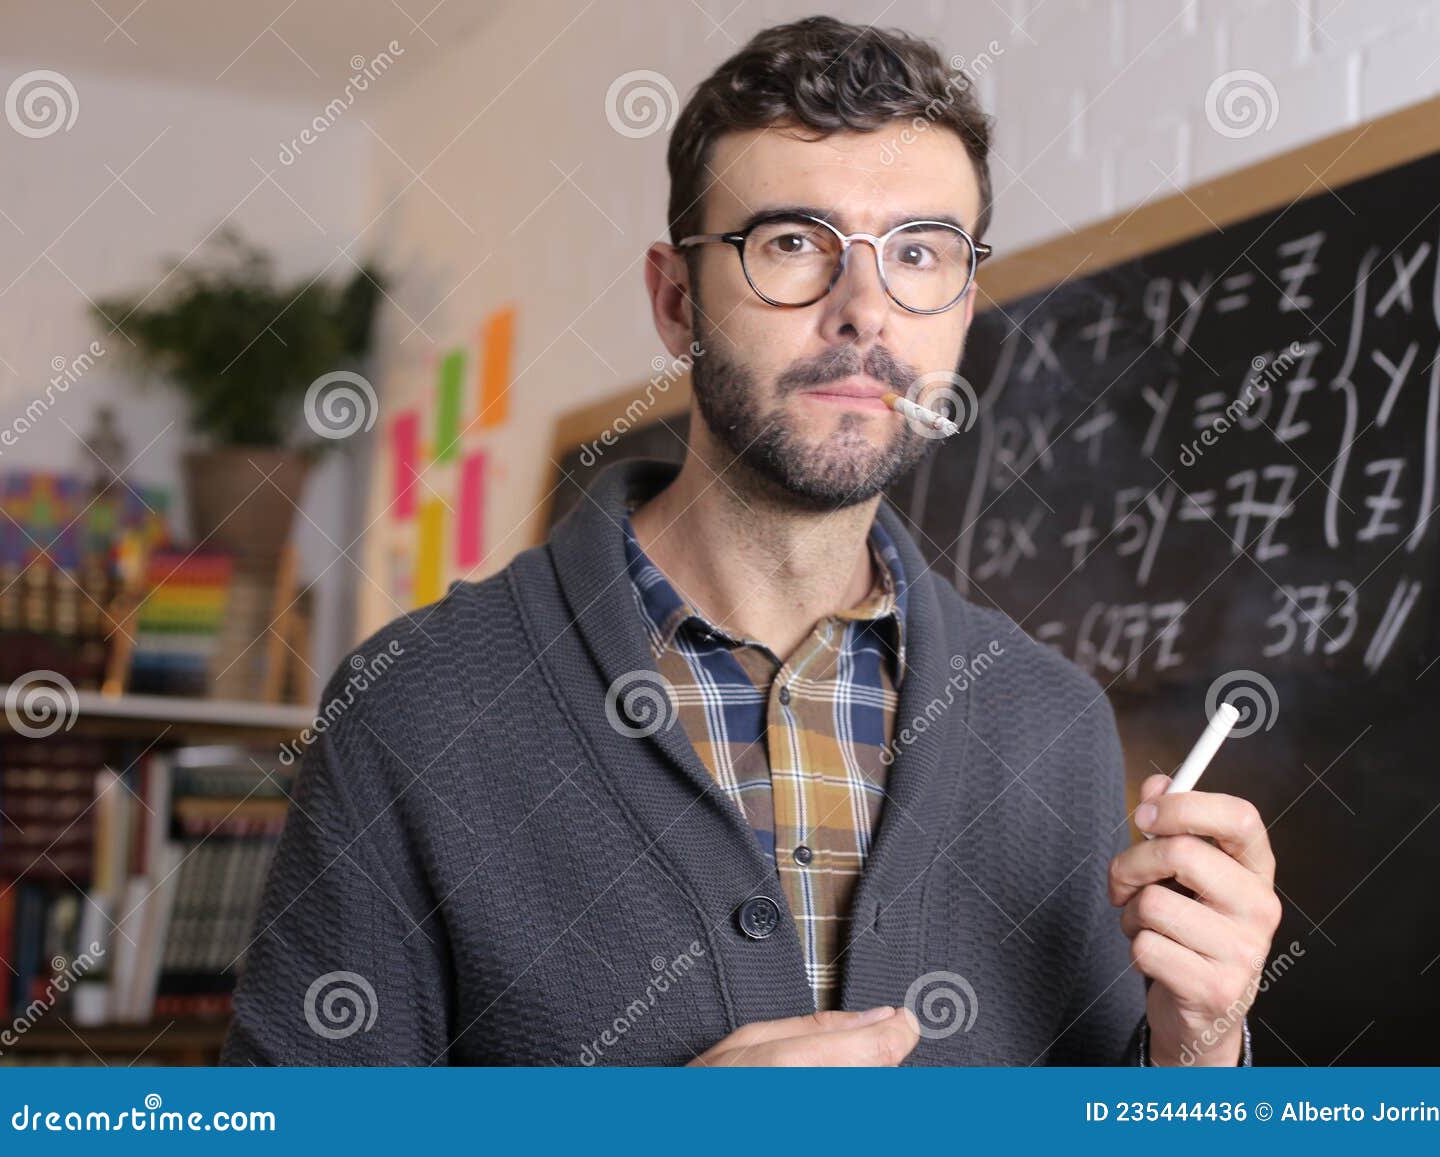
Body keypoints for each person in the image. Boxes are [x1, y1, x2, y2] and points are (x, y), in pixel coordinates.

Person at [223, 15, 1279, 1067]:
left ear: (959, 306)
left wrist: (1200, 1046)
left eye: (917, 252)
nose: (862, 310)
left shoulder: (1053, 725)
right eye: (790, 244)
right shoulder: (415, 705)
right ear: (676, 302)